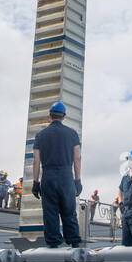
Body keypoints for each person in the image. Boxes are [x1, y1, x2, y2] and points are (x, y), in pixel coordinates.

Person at [32, 101, 81, 248]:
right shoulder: (72, 134)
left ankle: (53, 245)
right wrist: (77, 180)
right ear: (64, 116)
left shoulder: (40, 135)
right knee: (69, 211)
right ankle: (74, 244)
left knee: (50, 213)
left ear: (50, 116)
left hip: (48, 176)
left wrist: (36, 183)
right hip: (66, 176)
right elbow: (77, 158)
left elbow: (36, 161)